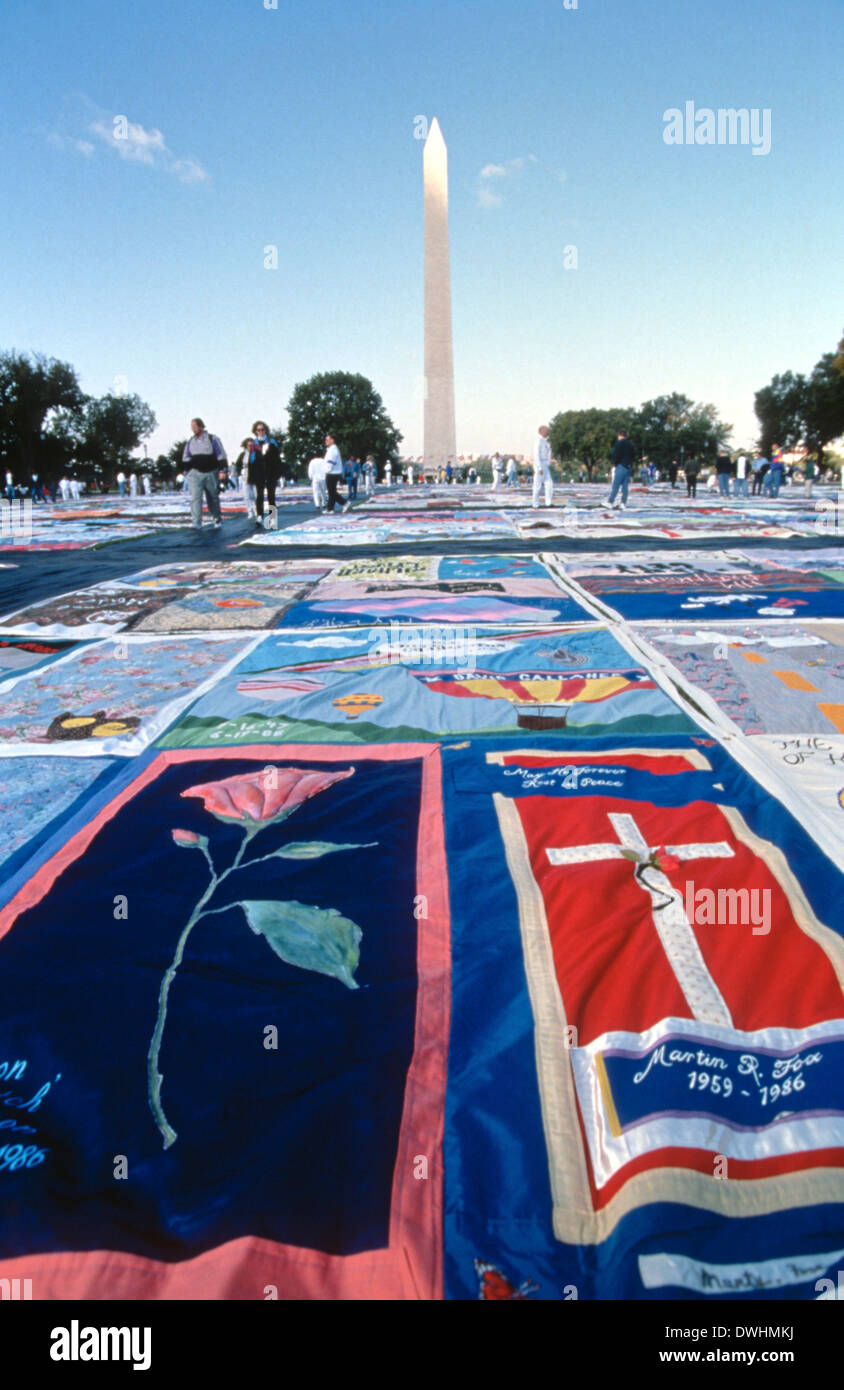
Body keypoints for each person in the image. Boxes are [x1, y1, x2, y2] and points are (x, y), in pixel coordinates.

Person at [181, 416, 226, 529]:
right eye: (192, 427)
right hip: (195, 474)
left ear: (201, 427)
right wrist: (188, 471)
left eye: (195, 426)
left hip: (211, 472)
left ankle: (216, 518)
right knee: (196, 498)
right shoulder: (190, 441)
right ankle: (197, 522)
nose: (193, 429)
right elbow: (185, 457)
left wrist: (222, 470)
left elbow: (221, 455)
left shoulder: (212, 439)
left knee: (212, 497)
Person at [248, 421, 282, 527]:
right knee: (260, 495)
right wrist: (252, 475)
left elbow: (277, 458)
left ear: (265, 430)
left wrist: (277, 472)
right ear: (255, 431)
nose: (261, 432)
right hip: (259, 473)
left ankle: (272, 518)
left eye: (262, 429)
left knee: (271, 496)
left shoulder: (272, 442)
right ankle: (259, 516)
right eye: (258, 430)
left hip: (271, 472)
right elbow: (252, 460)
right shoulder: (254, 444)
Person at [606, 428, 635, 509]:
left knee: (616, 485)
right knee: (625, 486)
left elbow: (615, 455)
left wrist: (615, 464)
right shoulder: (630, 444)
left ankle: (610, 502)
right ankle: (623, 503)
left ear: (619, 435)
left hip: (621, 466)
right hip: (628, 466)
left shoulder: (619, 443)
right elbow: (633, 456)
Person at [532, 425, 556, 507]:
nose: (548, 432)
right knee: (537, 485)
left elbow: (548, 454)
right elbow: (536, 455)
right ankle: (535, 503)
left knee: (549, 484)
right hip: (540, 464)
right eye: (546, 430)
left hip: (545, 465)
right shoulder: (538, 441)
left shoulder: (545, 441)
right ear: (542, 431)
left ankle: (548, 502)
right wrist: (539, 467)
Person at [323, 434, 348, 513]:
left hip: (332, 472)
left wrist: (327, 470)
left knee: (331, 491)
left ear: (332, 440)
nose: (326, 441)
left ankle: (344, 502)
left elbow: (331, 462)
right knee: (331, 491)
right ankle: (330, 508)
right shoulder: (331, 449)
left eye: (327, 439)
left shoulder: (333, 450)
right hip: (333, 472)